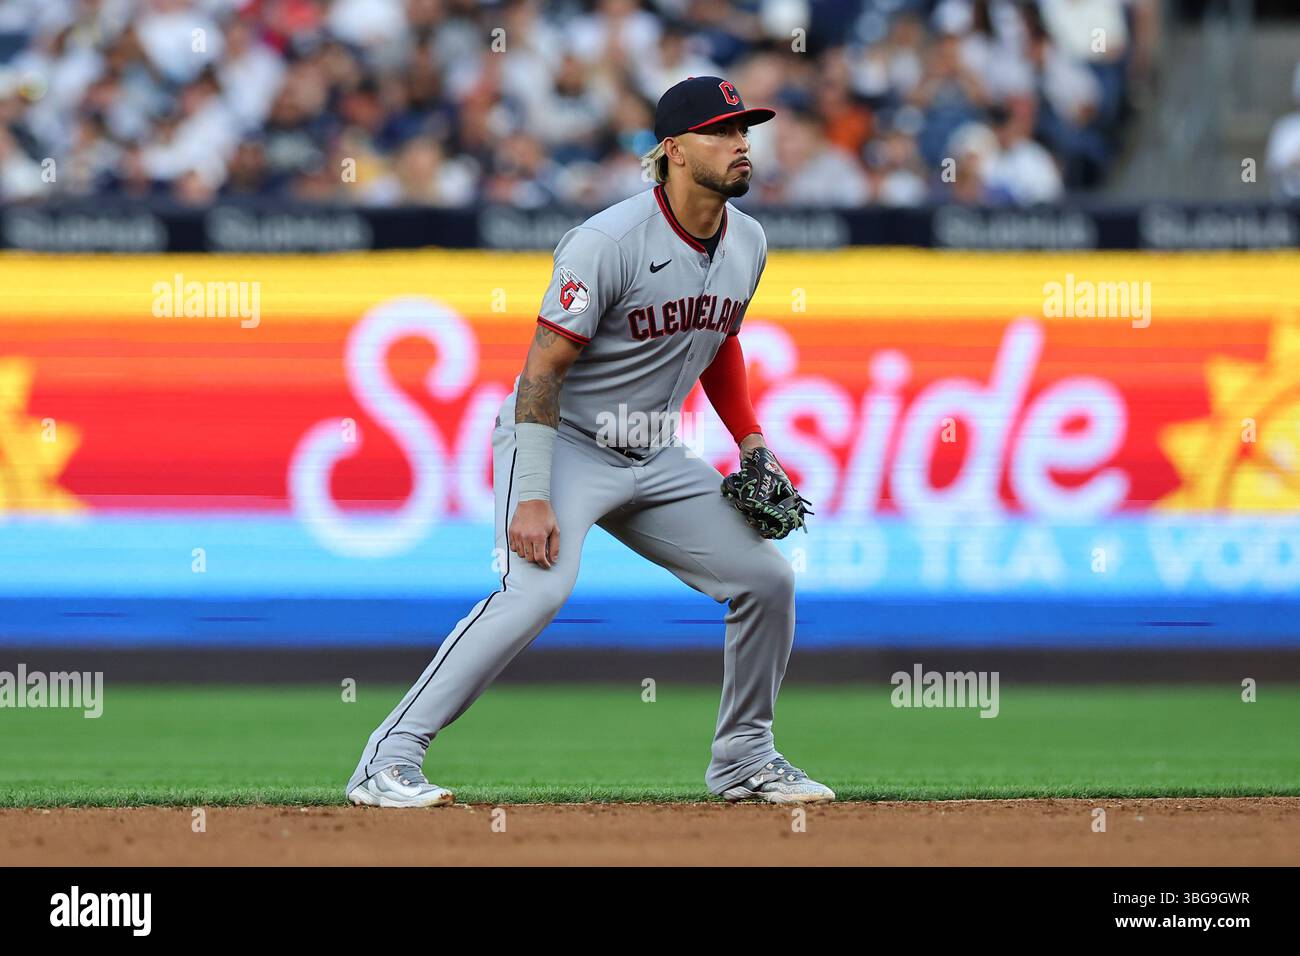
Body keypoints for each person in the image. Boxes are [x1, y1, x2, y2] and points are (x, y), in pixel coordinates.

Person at [346, 76, 833, 808]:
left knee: (766, 580)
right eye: (721, 131)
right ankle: (388, 760)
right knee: (535, 591)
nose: (740, 143)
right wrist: (534, 492)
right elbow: (542, 369)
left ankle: (744, 761)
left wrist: (753, 442)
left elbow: (720, 338)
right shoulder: (606, 241)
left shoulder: (750, 241)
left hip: (655, 452)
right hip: (563, 440)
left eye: (745, 130)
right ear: (671, 150)